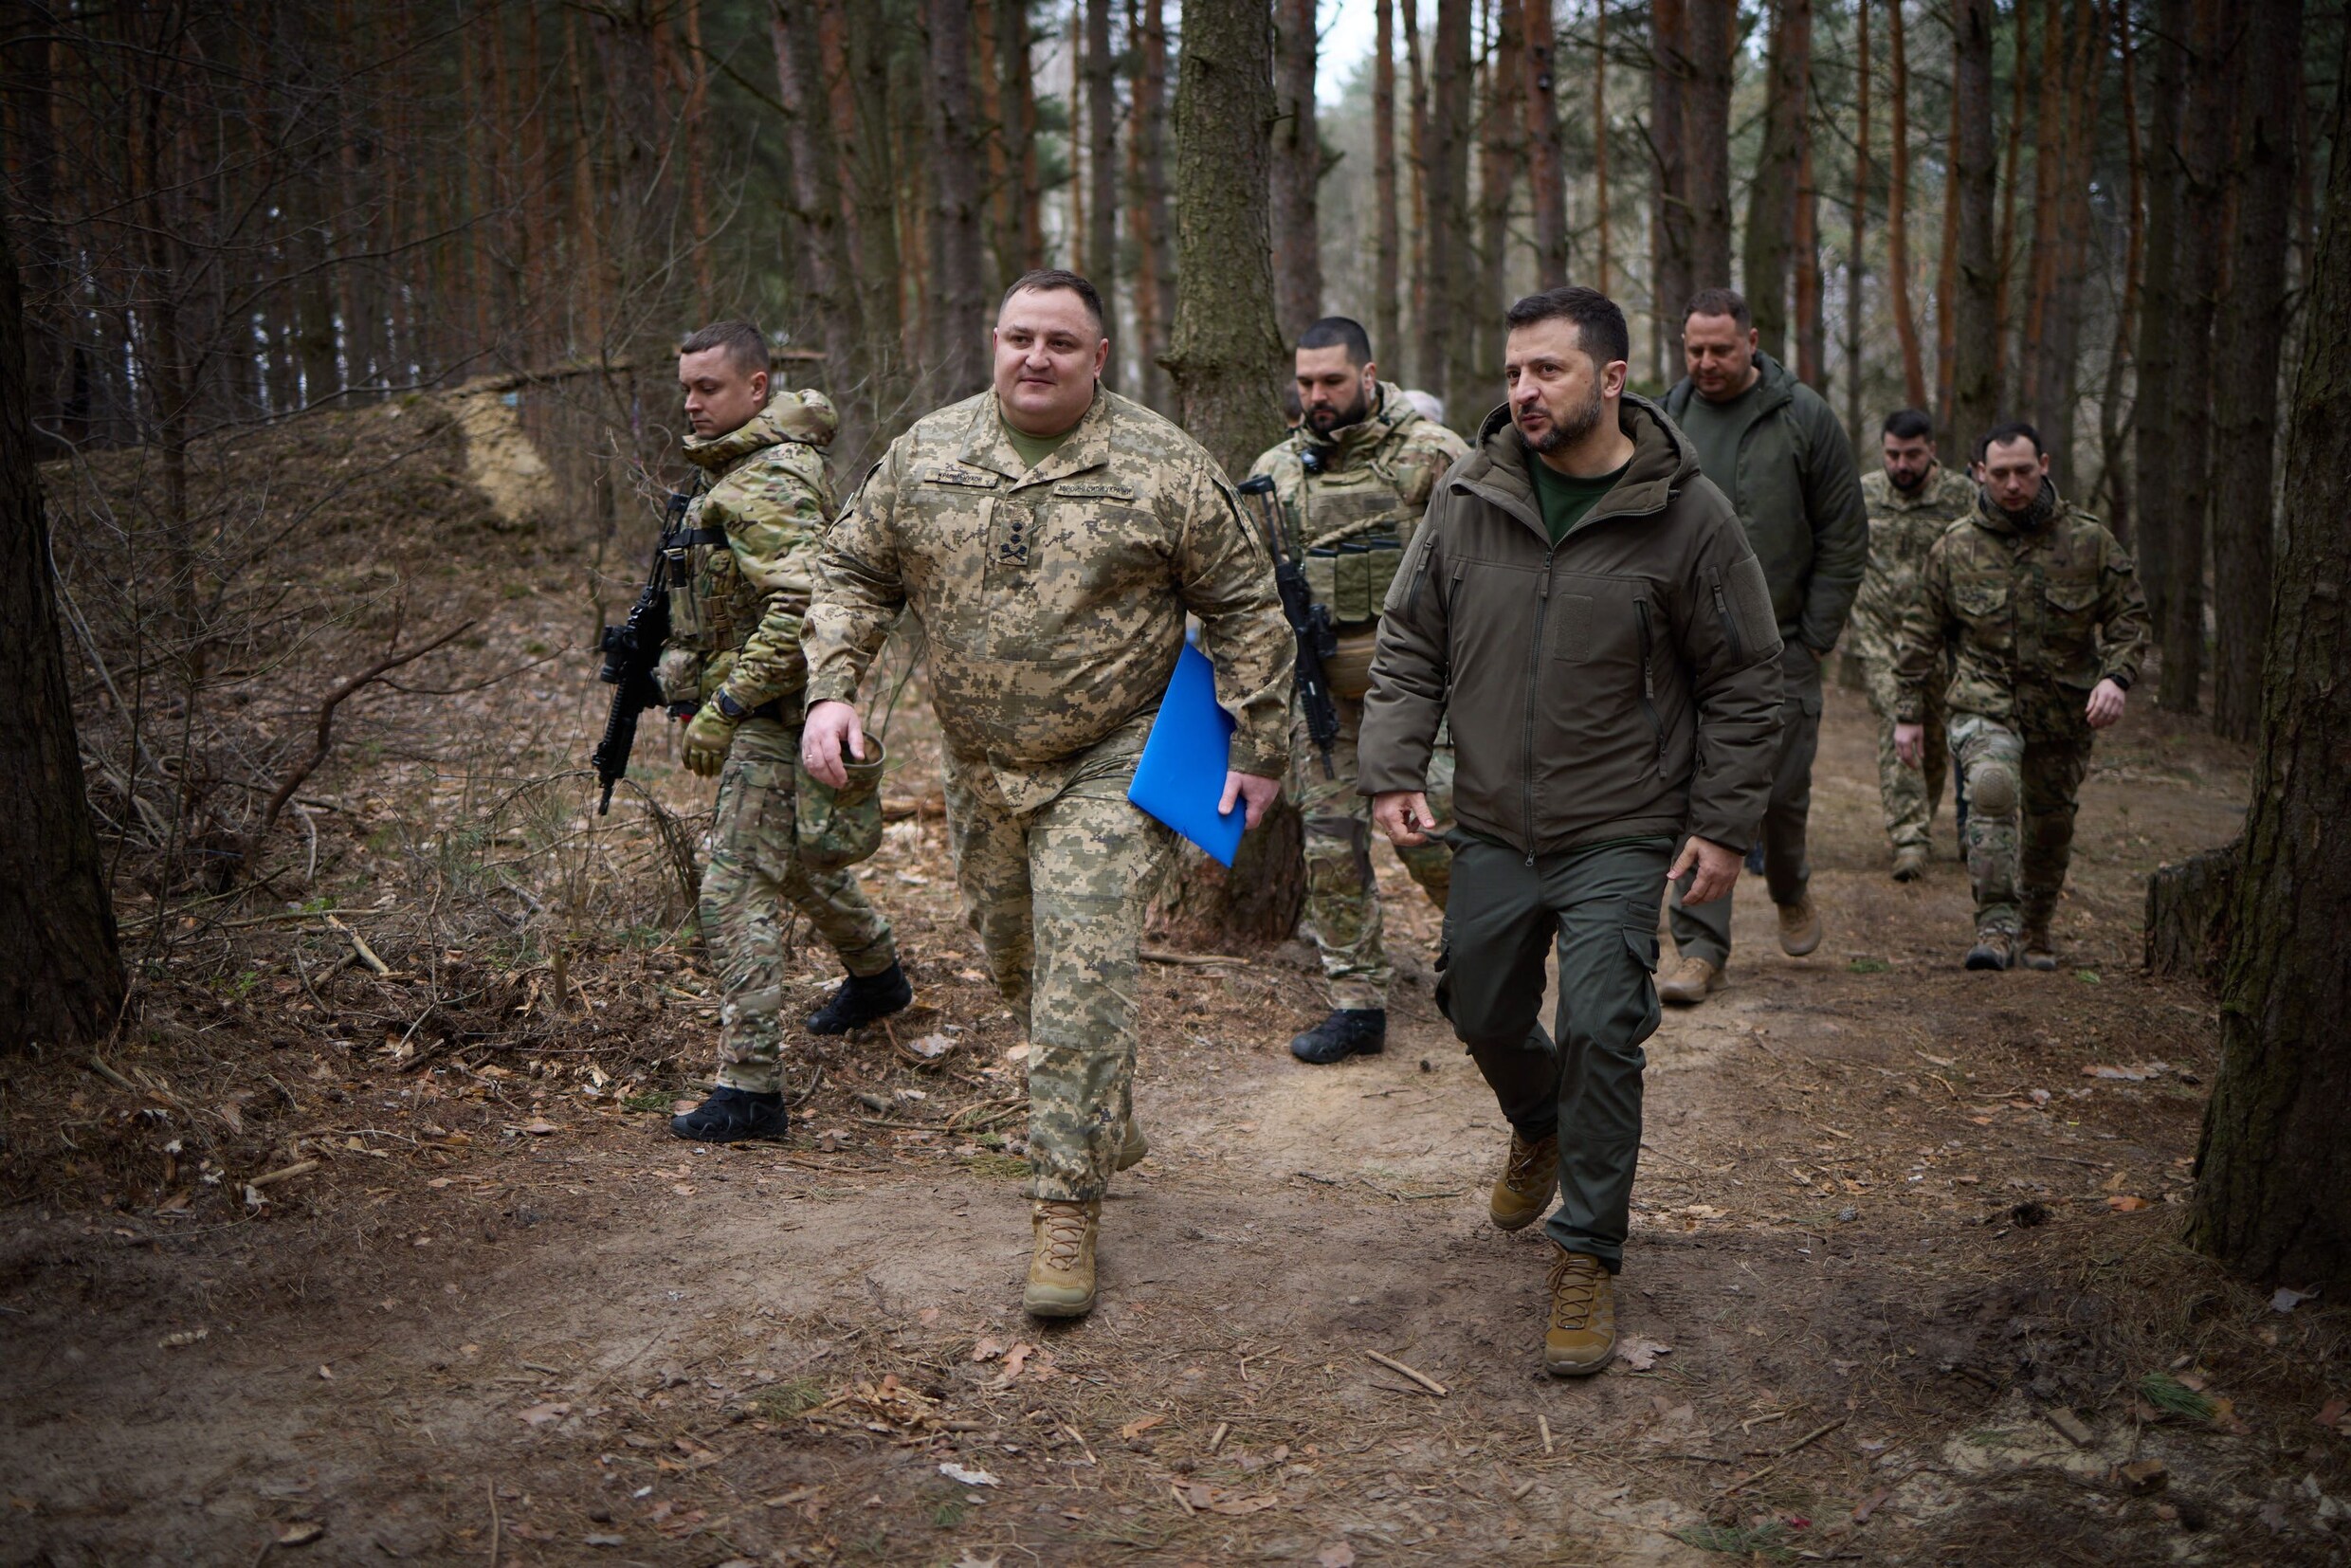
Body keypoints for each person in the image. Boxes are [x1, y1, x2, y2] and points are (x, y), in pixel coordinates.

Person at [798, 270, 1290, 1320]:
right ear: (991, 340)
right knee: (1016, 955)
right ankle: (1097, 1108)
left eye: (1061, 342)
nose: (1036, 357)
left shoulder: (1161, 465)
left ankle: (1063, 1203)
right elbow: (849, 572)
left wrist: (1258, 744)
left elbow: (1246, 606)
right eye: (1019, 336)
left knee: (1082, 961)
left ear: (1099, 356)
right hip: (978, 764)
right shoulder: (926, 453)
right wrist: (829, 693)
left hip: (1112, 757)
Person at [1359, 286, 1783, 1376]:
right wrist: (1392, 769)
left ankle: (1586, 1253)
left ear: (1611, 378)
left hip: (1621, 827)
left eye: (1545, 370)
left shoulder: (1686, 514)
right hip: (1493, 819)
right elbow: (1408, 640)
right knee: (1477, 998)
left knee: (1601, 1024)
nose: (1521, 392)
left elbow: (1743, 680)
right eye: (1511, 372)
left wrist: (1725, 827)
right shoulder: (1468, 493)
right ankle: (1536, 1120)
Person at [656, 322, 912, 1144]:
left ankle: (751, 1090)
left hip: (778, 713)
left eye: (711, 389)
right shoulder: (738, 470)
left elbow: (800, 607)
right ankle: (878, 978)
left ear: (757, 389)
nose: (692, 404)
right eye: (687, 388)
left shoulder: (763, 481)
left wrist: (726, 705)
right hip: (773, 709)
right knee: (797, 862)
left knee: (735, 886)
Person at [1246, 317, 1469, 1064]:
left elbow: (1490, 573)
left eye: (1332, 381)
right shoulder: (1276, 474)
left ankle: (1480, 968)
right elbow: (1247, 593)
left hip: (1424, 699)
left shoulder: (1433, 458)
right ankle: (1356, 1003)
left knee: (1436, 839)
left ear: (1369, 377)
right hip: (1324, 701)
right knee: (1331, 848)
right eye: (1306, 383)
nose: (1317, 396)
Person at [1657, 288, 1867, 1004]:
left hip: (1781, 647)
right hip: (1689, 650)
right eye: (1694, 349)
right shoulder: (1665, 420)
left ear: (1752, 340)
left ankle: (1789, 884)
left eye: (1721, 348)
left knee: (1777, 793)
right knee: (1696, 791)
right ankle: (1698, 949)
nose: (1706, 362)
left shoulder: (1803, 417)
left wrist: (1814, 638)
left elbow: (1844, 534)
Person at [1891, 420, 2148, 971]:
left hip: (2064, 709)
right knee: (1991, 789)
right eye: (2000, 473)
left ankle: (2036, 928)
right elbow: (1919, 633)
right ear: (1980, 473)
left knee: (2052, 820)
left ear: (2045, 467)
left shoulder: (2088, 540)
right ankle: (1996, 927)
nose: (2013, 485)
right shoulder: (1956, 546)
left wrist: (2116, 677)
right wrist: (1908, 715)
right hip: (1984, 703)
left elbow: (2130, 618)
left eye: (2024, 472)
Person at [1852, 410, 1978, 882]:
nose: (1901, 464)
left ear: (1931, 451)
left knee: (1932, 732)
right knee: (1897, 723)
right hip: (1879, 635)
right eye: (1892, 454)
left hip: (1938, 640)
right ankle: (1909, 837)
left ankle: (1921, 818)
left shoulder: (1961, 497)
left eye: (1911, 455)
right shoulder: (1863, 493)